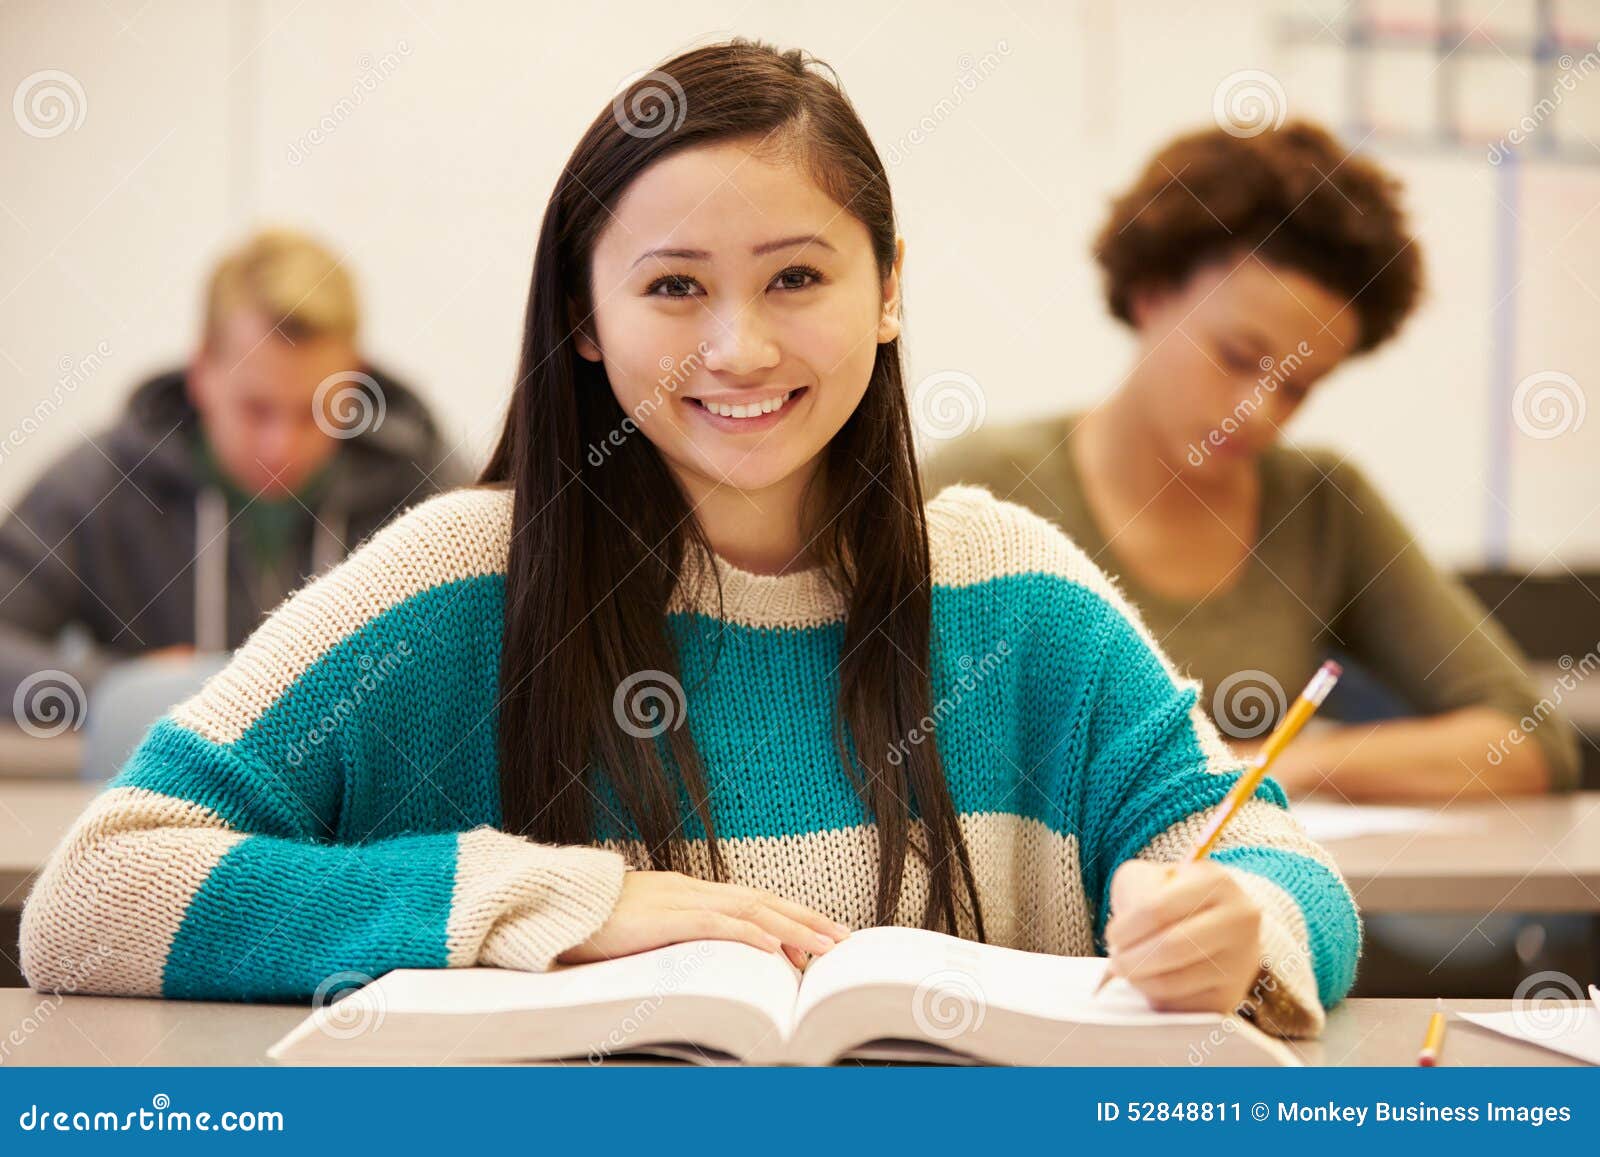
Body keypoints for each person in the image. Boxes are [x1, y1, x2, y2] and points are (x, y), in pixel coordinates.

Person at [21, 43, 1358, 1039]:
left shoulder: (1020, 596)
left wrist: (1247, 923)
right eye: (673, 286)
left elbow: (1281, 865)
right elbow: (93, 901)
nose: (739, 348)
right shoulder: (453, 581)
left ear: (888, 288)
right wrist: (544, 902)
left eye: (797, 276)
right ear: (586, 318)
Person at [924, 121, 1579, 801]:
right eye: (1236, 357)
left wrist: (1287, 764)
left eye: (1297, 386)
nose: (1259, 411)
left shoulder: (1322, 505)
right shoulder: (982, 486)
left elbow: (1528, 741)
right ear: (1151, 294)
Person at [0, 228, 466, 730]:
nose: (280, 446)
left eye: (316, 411)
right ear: (202, 372)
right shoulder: (100, 485)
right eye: (256, 409)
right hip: (168, 796)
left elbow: (514, 661)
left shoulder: (432, 489)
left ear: (355, 380)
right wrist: (124, 694)